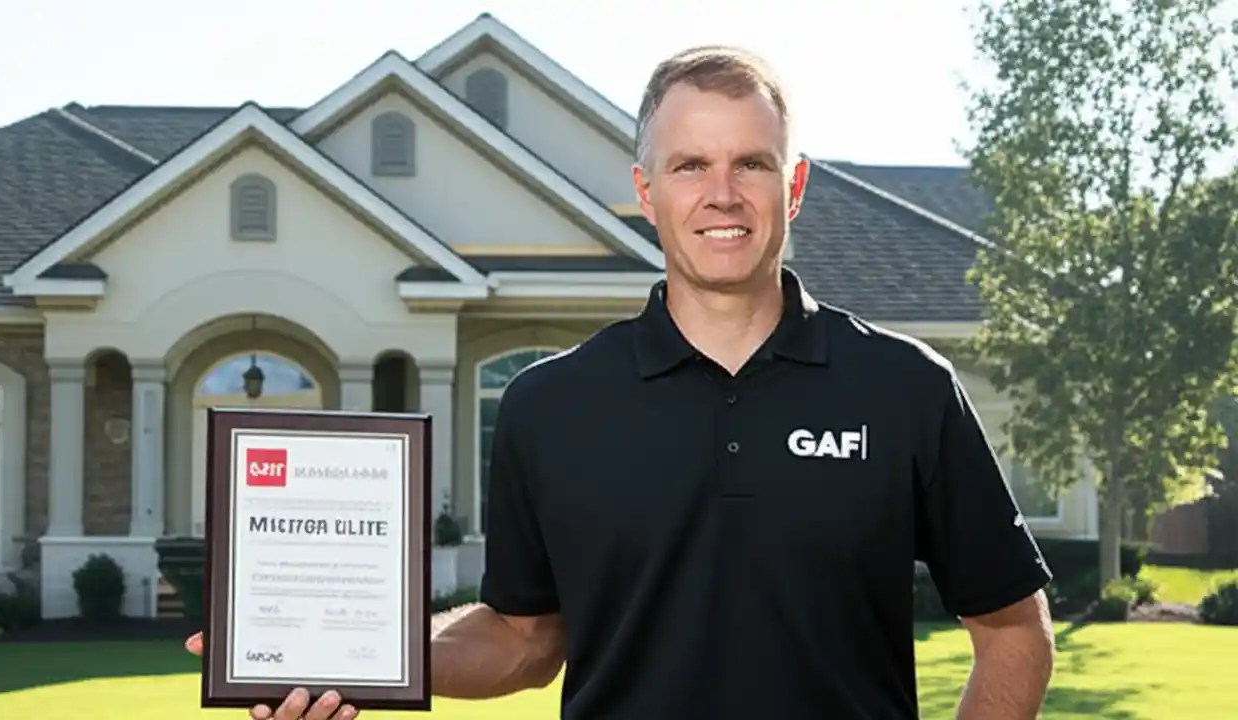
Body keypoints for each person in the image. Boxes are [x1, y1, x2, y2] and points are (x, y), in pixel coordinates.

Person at [186, 45, 1056, 719]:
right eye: (690, 166)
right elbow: (524, 638)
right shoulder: (551, 405)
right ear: (646, 190)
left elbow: (1014, 630)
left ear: (793, 186)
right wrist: (352, 655)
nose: (723, 194)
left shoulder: (903, 388)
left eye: (750, 164)